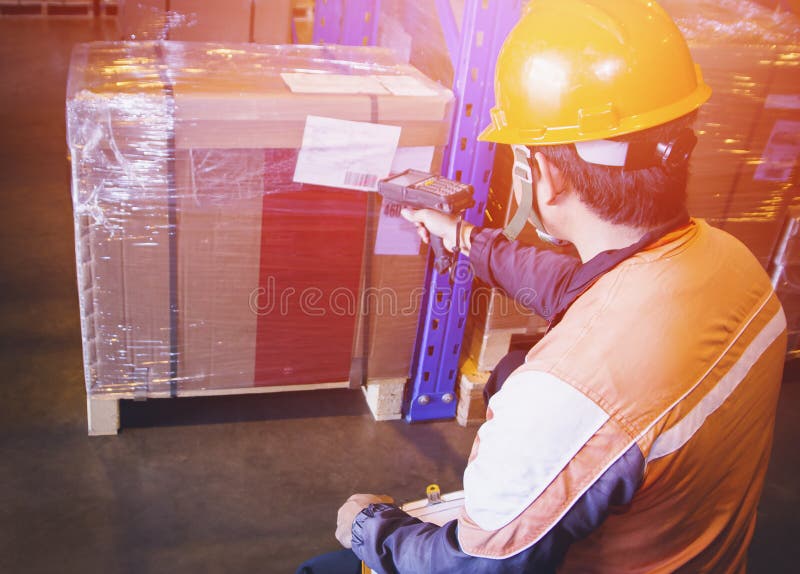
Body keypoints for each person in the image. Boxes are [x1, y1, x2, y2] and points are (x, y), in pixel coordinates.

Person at [298, 0, 787, 572]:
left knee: (325, 567)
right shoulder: (731, 263)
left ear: (544, 176)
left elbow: (469, 569)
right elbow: (572, 284)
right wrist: (461, 236)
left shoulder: (569, 394)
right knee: (509, 376)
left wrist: (371, 527)